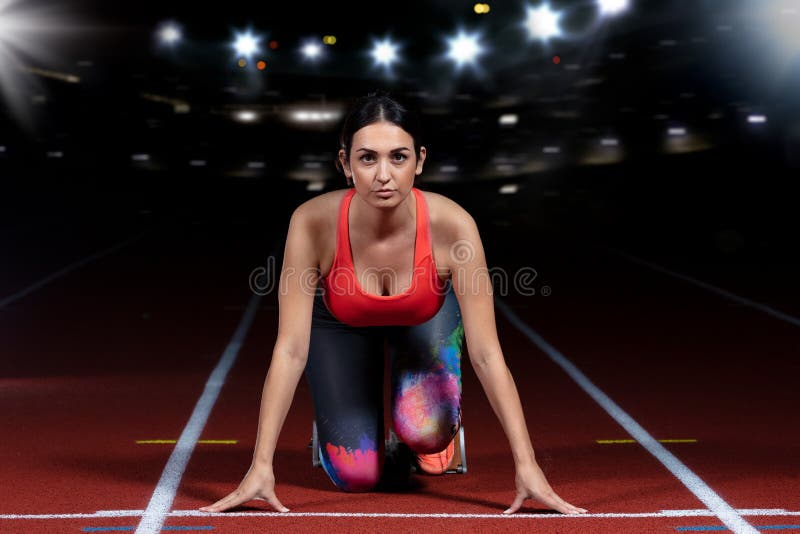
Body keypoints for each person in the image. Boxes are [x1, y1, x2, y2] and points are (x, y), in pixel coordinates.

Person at [200, 92, 587, 515]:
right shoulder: (311, 223)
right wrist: (260, 465)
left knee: (426, 431)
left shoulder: (454, 226)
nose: (383, 175)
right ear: (345, 164)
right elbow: (291, 350)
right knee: (356, 475)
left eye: (398, 157)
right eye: (367, 159)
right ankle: (341, 417)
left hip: (425, 315)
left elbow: (487, 354)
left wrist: (527, 465)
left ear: (419, 161)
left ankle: (433, 436)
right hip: (340, 321)